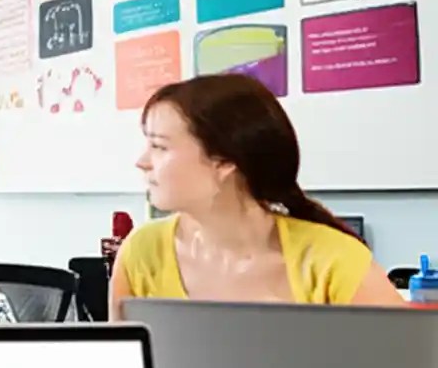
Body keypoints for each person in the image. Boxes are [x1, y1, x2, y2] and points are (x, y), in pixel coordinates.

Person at [110, 74, 404, 319]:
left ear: (225, 161)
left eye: (159, 146)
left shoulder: (333, 261)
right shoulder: (140, 252)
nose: (142, 161)